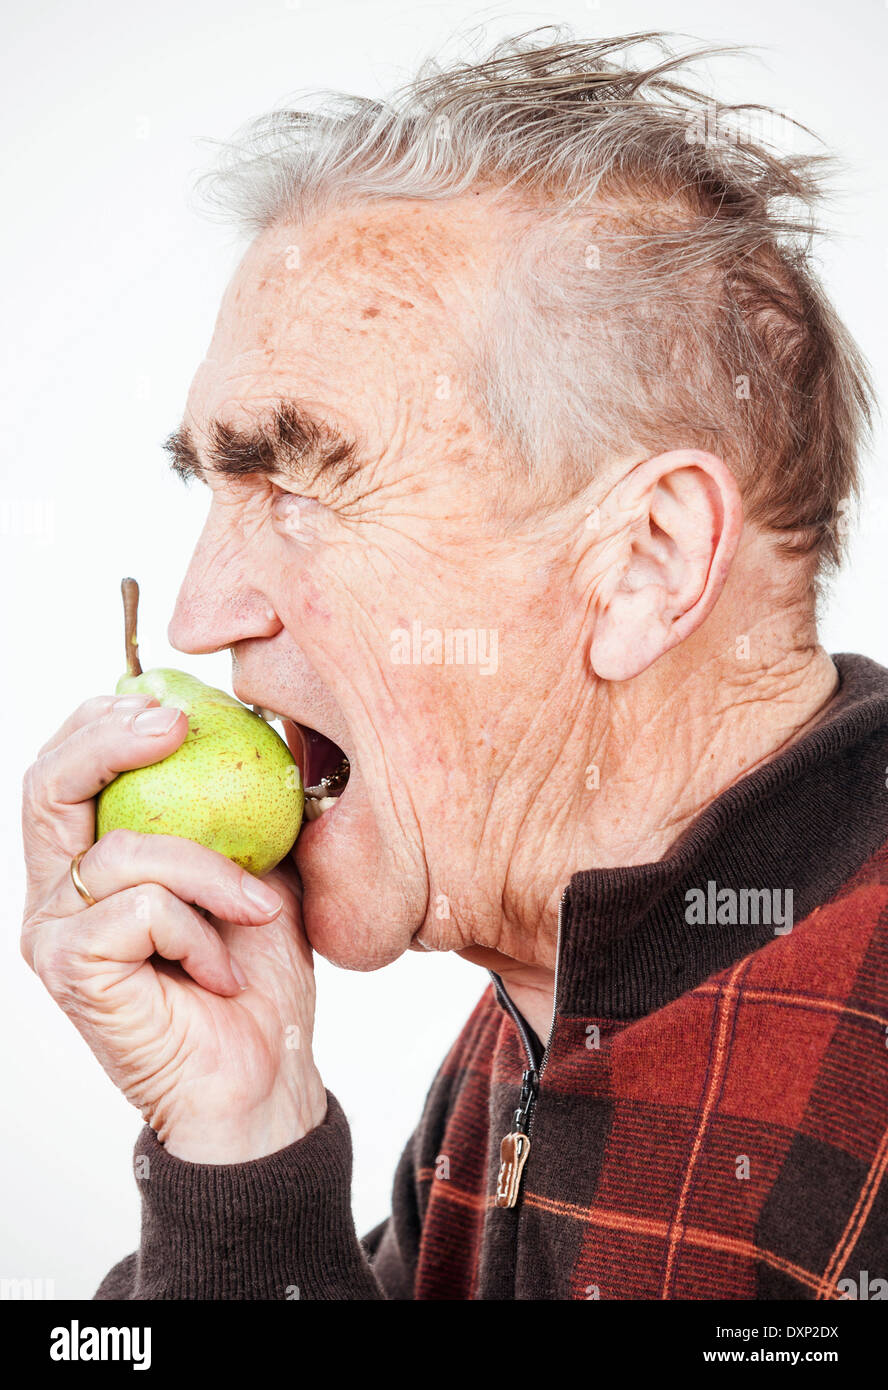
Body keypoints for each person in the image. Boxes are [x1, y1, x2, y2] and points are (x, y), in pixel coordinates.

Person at [21, 30, 888, 1300]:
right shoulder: (548, 1006)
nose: (202, 614)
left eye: (305, 477)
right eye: (213, 487)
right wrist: (243, 1141)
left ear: (647, 560)